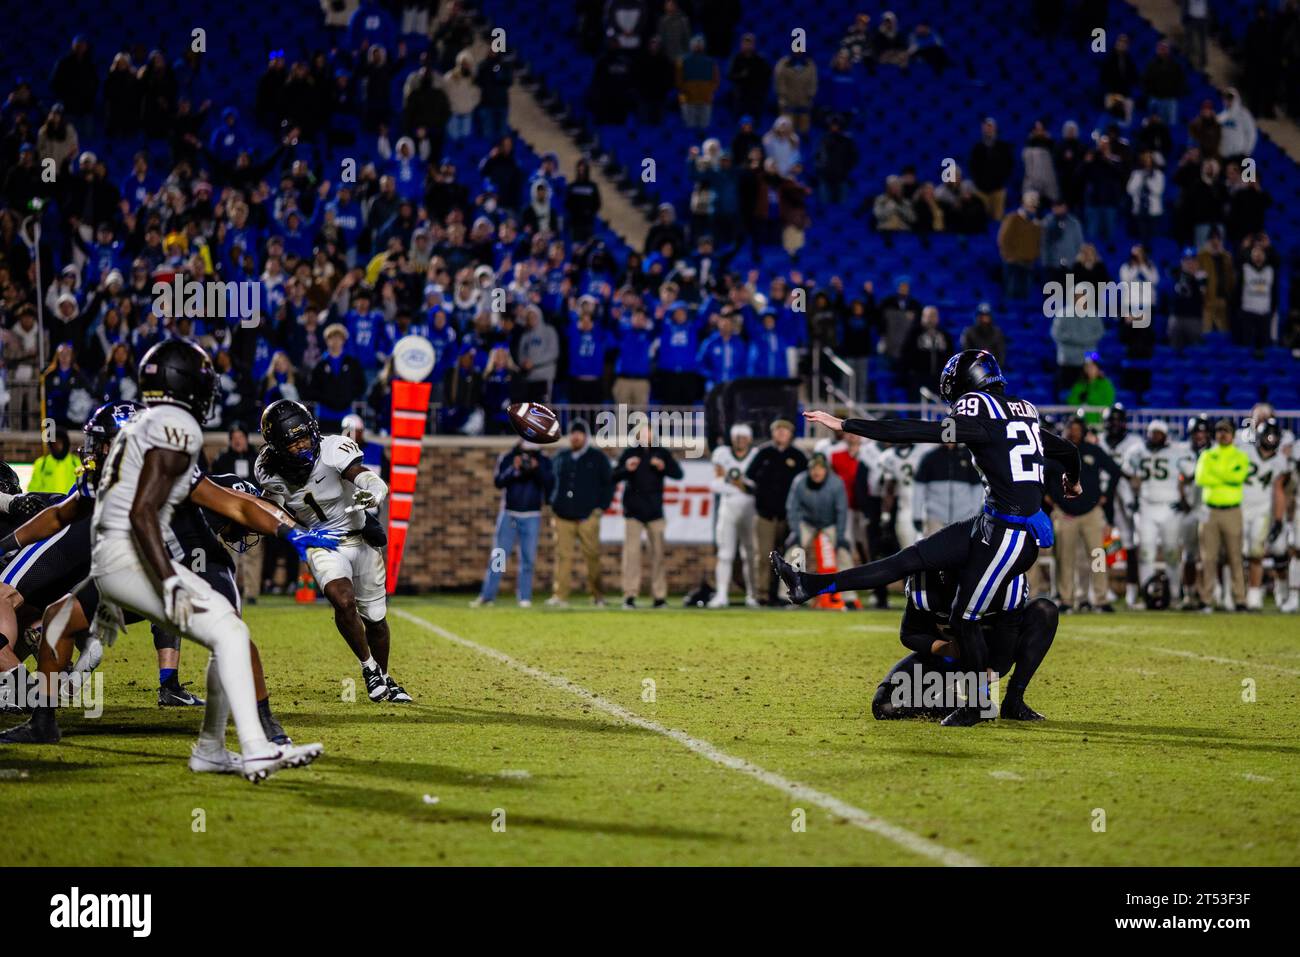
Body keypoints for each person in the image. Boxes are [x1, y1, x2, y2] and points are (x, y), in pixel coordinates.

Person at [0, 342, 330, 778]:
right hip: (145, 568)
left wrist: (290, 530)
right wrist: (292, 532)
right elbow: (219, 507)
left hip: (131, 568)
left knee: (60, 620)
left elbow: (66, 513)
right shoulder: (167, 443)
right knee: (230, 636)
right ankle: (260, 741)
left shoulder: (124, 461)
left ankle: (44, 721)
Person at [772, 350, 1082, 725]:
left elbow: (920, 431)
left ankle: (982, 706)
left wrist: (847, 425)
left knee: (963, 615)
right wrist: (1072, 479)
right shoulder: (1023, 412)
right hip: (993, 522)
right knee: (907, 560)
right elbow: (1067, 449)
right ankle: (809, 584)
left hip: (1009, 533)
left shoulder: (978, 413)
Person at [257, 398, 411, 703]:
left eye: (305, 437)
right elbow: (272, 507)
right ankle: (368, 670)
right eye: (293, 442)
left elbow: (359, 472)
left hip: (358, 537)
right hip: (322, 542)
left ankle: (383, 678)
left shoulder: (333, 448)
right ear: (276, 446)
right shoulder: (268, 469)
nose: (303, 446)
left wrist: (376, 489)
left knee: (376, 619)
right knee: (343, 600)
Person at [871, 569, 1056, 723]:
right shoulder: (926, 580)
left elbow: (1009, 634)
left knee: (1044, 611)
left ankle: (1014, 701)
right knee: (885, 705)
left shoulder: (1002, 576)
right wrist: (946, 648)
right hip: (951, 656)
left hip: (992, 653)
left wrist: (990, 669)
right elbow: (910, 633)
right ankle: (960, 706)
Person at [1122, 420, 1197, 606]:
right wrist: (1130, 500)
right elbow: (1125, 475)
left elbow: (1193, 475)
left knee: (1172, 553)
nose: (1155, 436)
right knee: (1146, 553)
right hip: (1146, 507)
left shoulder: (1178, 451)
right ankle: (1148, 594)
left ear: (1165, 435)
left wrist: (1186, 500)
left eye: (1159, 433)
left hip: (1170, 508)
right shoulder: (1137, 451)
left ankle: (1173, 594)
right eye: (1152, 432)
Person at [472, 439, 554, 608]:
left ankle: (524, 597)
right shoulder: (508, 457)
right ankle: (488, 596)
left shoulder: (544, 460)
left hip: (532, 515)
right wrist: (513, 468)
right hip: (509, 515)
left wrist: (536, 468)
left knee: (528, 559)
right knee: (499, 556)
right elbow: (498, 482)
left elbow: (549, 484)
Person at [612, 425, 683, 609]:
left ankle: (659, 597)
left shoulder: (661, 453)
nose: (646, 435)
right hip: (633, 513)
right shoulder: (629, 453)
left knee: (658, 556)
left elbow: (678, 474)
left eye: (648, 432)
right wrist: (627, 468)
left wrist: (663, 466)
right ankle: (629, 596)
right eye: (642, 432)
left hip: (655, 513)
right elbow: (614, 476)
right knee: (631, 556)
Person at [547, 420, 612, 607]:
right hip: (563, 516)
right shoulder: (561, 457)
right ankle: (560, 595)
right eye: (573, 433)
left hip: (587, 516)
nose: (575, 436)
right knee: (563, 557)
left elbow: (608, 484)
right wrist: (552, 503)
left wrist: (600, 508)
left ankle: (597, 595)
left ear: (586, 436)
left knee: (592, 556)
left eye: (579, 433)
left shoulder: (597, 457)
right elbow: (550, 481)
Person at [746, 419, 807, 603]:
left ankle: (785, 594)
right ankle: (762, 594)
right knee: (764, 557)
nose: (781, 433)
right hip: (765, 515)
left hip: (788, 516)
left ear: (791, 434)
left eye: (785, 430)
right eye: (778, 429)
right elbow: (749, 478)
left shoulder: (798, 456)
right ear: (773, 433)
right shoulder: (763, 453)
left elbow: (805, 484)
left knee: (788, 558)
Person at [1195, 419, 1250, 612]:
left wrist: (1216, 476)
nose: (1222, 435)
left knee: (1235, 557)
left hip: (1232, 511)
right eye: (1219, 431)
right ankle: (1207, 599)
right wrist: (1226, 475)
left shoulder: (1240, 456)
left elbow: (1239, 478)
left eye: (1226, 431)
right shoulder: (1207, 455)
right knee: (1207, 557)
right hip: (1210, 511)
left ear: (1233, 435)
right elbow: (1201, 478)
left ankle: (1240, 599)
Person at [1240, 420, 1289, 610]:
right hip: (1240, 508)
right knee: (1234, 553)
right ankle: (1233, 594)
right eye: (1268, 434)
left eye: (1274, 435)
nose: (1271, 439)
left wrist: (1278, 519)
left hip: (1262, 511)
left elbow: (1279, 491)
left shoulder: (1280, 461)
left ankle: (1254, 594)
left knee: (1256, 552)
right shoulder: (1245, 452)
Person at [709, 423, 759, 608]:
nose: (741, 440)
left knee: (751, 553)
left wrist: (732, 481)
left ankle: (752, 595)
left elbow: (754, 485)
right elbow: (715, 485)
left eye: (744, 436)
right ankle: (721, 594)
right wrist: (739, 483)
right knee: (725, 553)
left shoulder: (755, 456)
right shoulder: (722, 454)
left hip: (749, 507)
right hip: (728, 505)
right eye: (737, 437)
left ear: (750, 438)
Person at [912, 444, 983, 536]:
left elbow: (977, 487)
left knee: (960, 550)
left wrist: (974, 514)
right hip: (935, 520)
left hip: (964, 520)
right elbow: (919, 488)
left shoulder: (968, 456)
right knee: (935, 549)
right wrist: (917, 515)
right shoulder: (930, 457)